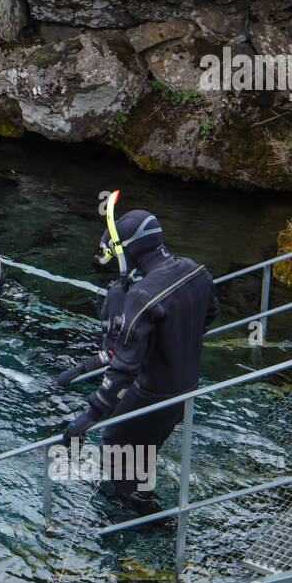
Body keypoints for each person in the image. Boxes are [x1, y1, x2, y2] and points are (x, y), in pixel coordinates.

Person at [56, 191, 218, 512]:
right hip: (185, 389)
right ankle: (145, 501)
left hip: (153, 393)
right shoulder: (194, 270)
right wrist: (175, 341)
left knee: (117, 454)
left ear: (131, 249)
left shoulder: (142, 294)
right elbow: (210, 313)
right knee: (143, 454)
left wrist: (86, 419)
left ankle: (146, 526)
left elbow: (124, 367)